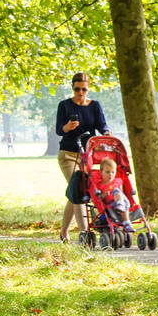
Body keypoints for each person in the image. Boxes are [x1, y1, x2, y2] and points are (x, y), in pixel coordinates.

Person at [56, 72, 109, 243]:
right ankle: (85, 232)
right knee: (78, 188)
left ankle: (64, 231)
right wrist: (67, 127)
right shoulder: (64, 105)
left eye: (84, 89)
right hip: (68, 154)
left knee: (76, 191)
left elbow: (102, 125)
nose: (80, 92)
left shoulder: (95, 106)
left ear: (88, 89)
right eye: (77, 89)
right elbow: (58, 130)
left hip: (87, 154)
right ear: (72, 87)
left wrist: (107, 134)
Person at [90, 158, 135, 234]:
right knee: (116, 191)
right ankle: (120, 206)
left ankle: (126, 223)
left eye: (113, 172)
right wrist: (103, 195)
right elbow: (97, 199)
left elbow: (121, 191)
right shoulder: (99, 185)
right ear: (101, 172)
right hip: (109, 204)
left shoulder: (118, 181)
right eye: (107, 172)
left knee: (117, 191)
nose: (110, 174)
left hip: (121, 202)